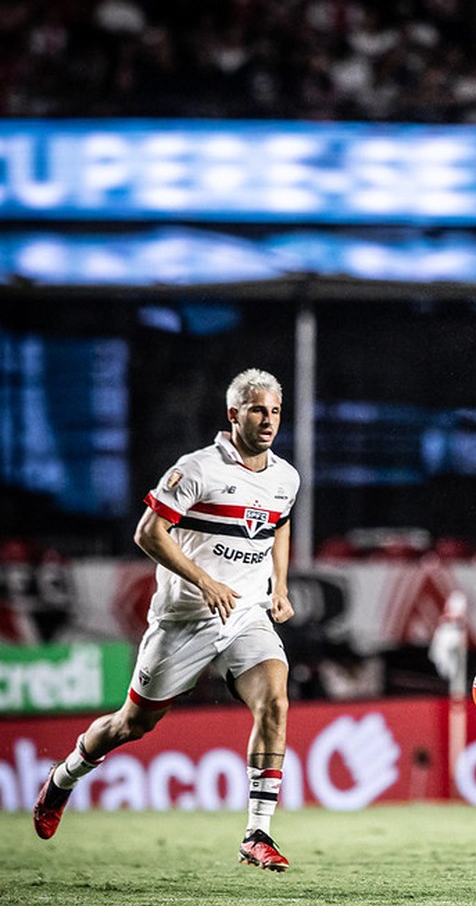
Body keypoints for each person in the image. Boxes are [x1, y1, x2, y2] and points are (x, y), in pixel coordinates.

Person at [33, 369, 300, 871]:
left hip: (245, 614)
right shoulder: (196, 469)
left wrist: (279, 587)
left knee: (276, 702)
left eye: (276, 412)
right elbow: (149, 533)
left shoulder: (286, 477)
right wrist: (206, 581)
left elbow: (280, 525)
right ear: (234, 414)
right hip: (184, 619)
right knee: (132, 724)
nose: (268, 421)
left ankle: (256, 833)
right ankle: (62, 778)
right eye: (259, 410)